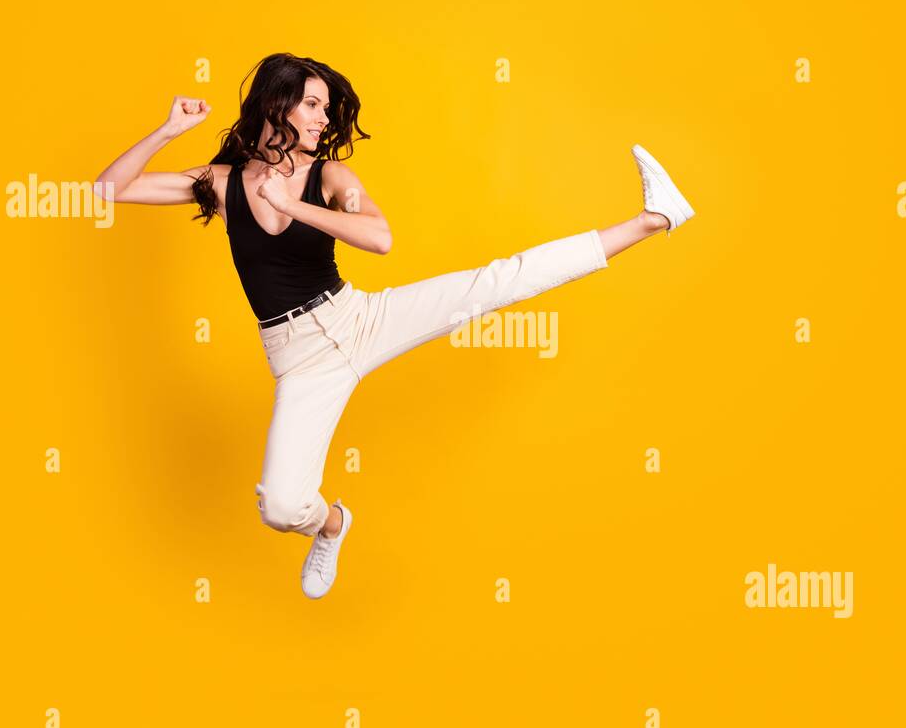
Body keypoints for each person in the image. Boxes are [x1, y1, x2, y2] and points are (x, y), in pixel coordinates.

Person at [95, 53, 696, 599]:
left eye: (324, 109)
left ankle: (654, 219)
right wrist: (169, 131)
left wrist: (296, 206)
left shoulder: (329, 179)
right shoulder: (221, 182)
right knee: (281, 507)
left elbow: (378, 238)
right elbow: (104, 192)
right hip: (300, 360)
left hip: (360, 319)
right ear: (277, 104)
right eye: (311, 104)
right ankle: (333, 525)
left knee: (497, 281)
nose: (320, 118)